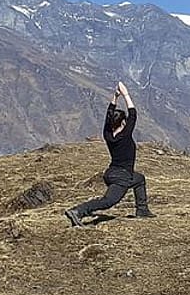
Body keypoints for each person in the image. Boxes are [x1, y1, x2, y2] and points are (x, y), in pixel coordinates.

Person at [65, 81, 155, 225]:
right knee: (108, 201)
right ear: (123, 123)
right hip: (122, 176)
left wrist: (115, 97)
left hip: (112, 172)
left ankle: (142, 210)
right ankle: (78, 211)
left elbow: (110, 116)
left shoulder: (108, 134)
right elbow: (133, 113)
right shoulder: (125, 135)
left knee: (139, 179)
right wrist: (125, 95)